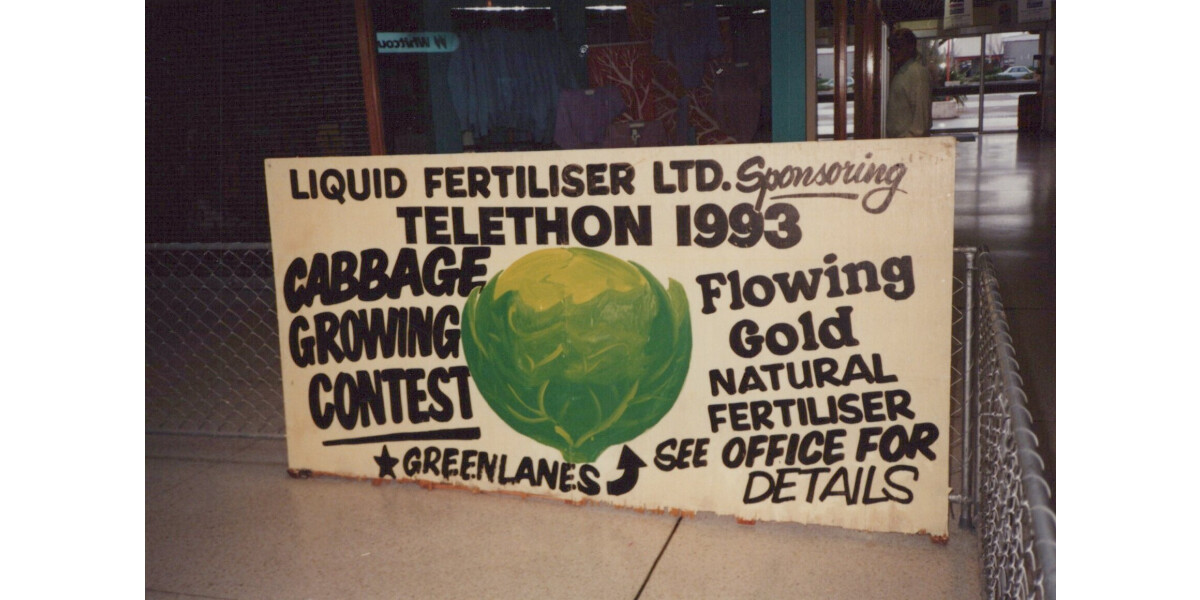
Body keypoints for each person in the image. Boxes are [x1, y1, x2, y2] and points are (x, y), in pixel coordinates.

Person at [886, 28, 932, 138]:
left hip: (910, 144)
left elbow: (920, 123)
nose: (894, 51)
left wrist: (909, 142)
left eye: (898, 46)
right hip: (900, 143)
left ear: (911, 47)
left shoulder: (917, 73)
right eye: (891, 47)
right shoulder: (902, 72)